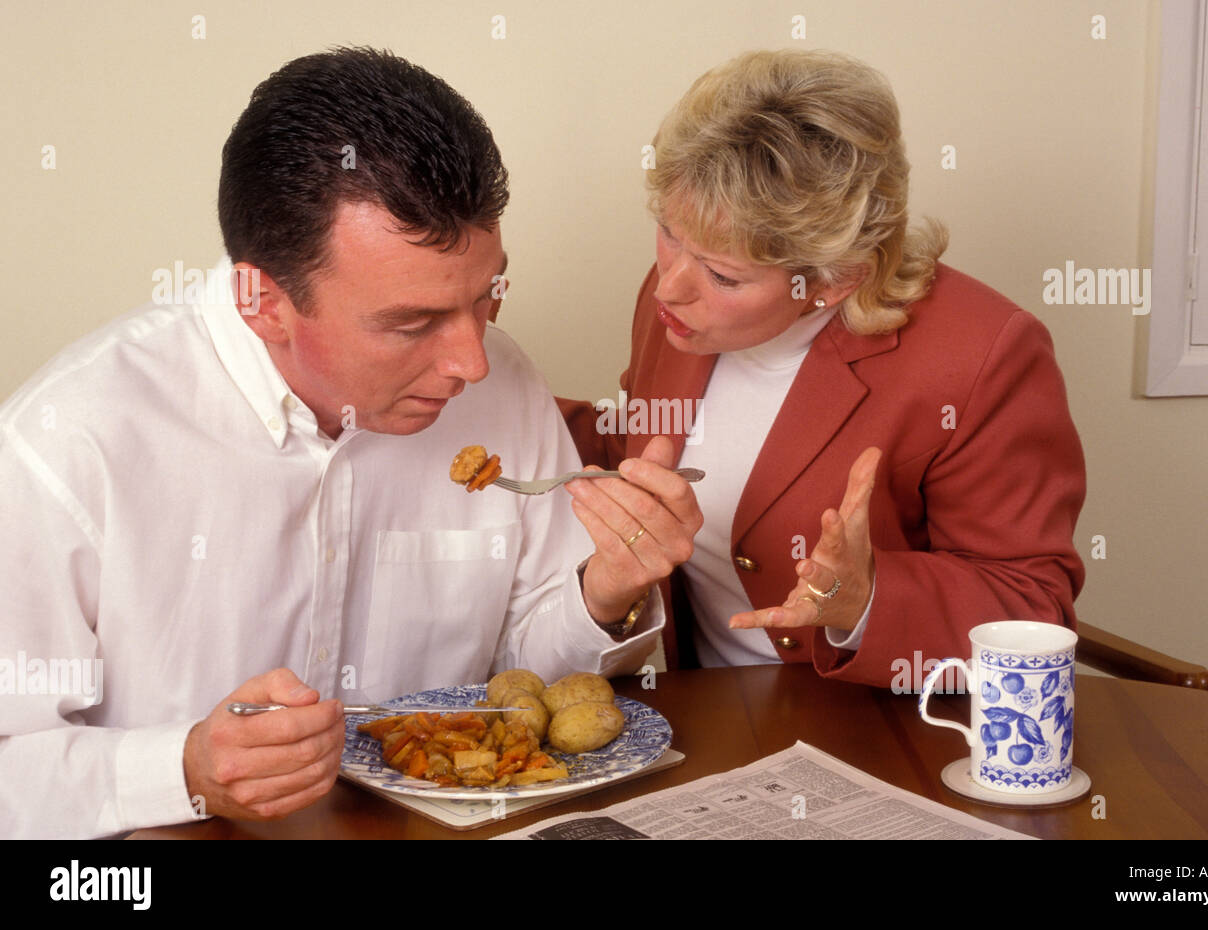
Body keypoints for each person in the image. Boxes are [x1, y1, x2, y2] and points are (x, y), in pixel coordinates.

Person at [0, 47, 700, 839]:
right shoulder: (70, 442)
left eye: (486, 296)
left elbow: (523, 683)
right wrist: (185, 770)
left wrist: (601, 590)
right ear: (263, 302)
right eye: (410, 324)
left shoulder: (502, 382)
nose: (472, 361)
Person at [562, 49, 1085, 686]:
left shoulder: (983, 355)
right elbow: (634, 451)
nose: (670, 285)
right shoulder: (674, 303)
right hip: (700, 714)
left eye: (724, 275)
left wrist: (866, 602)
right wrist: (483, 388)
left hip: (882, 729)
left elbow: (1033, 605)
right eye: (668, 233)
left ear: (836, 281)